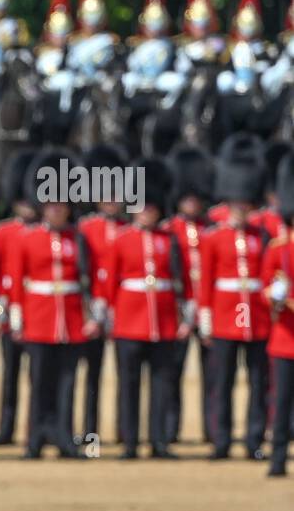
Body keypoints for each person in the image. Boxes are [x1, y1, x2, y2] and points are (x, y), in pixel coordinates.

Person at [8, 148, 97, 458]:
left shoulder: (79, 239)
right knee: (39, 382)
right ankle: (35, 438)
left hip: (71, 320)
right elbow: (17, 281)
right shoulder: (28, 239)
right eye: (51, 205)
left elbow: (88, 281)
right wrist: (17, 319)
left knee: (68, 382)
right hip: (39, 318)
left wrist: (92, 316)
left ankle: (63, 437)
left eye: (62, 204)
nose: (57, 210)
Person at [104, 158, 190, 458]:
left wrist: (184, 317)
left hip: (163, 321)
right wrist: (108, 317)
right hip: (129, 321)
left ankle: (159, 440)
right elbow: (110, 283)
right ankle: (129, 442)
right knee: (129, 385)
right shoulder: (122, 240)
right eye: (143, 207)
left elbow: (180, 282)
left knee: (162, 384)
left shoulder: (170, 240)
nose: (147, 212)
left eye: (152, 208)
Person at [199, 143, 270, 460]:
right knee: (222, 382)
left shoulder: (262, 236)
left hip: (256, 315)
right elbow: (207, 279)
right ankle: (221, 439)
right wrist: (205, 317)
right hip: (226, 314)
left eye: (245, 204)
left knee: (257, 382)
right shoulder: (214, 237)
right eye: (236, 204)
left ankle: (254, 439)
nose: (240, 209)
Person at [77, 143, 128, 443]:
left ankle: (125, 431)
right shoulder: (84, 228)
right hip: (92, 309)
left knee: (125, 375)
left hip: (123, 310)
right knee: (92, 375)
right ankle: (90, 432)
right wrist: (92, 309)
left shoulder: (129, 229)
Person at [0, 148, 38, 444]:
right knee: (10, 374)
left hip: (37, 312)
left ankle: (34, 429)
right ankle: (6, 428)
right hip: (8, 311)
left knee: (37, 377)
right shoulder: (1, 233)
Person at [165, 146, 214, 443]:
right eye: (187, 198)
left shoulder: (212, 228)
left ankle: (213, 430)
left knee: (214, 376)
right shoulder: (170, 229)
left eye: (195, 198)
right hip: (180, 307)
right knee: (173, 374)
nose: (192, 203)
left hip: (210, 307)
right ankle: (170, 431)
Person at [261, 155, 294, 477]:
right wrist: (275, 293)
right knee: (281, 402)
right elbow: (264, 287)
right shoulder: (278, 248)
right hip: (286, 338)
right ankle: (277, 460)